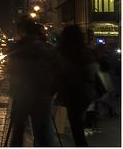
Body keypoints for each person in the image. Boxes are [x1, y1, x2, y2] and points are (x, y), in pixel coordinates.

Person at [6, 17, 58, 146]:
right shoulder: (46, 48)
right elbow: (56, 70)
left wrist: (15, 90)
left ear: (23, 31)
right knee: (42, 132)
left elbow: (12, 72)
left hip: (22, 96)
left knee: (18, 131)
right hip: (42, 96)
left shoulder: (17, 49)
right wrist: (51, 90)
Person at [54, 24, 100, 146]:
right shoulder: (85, 51)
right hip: (86, 92)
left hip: (72, 93)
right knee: (77, 126)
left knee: (76, 128)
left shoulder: (64, 52)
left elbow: (60, 73)